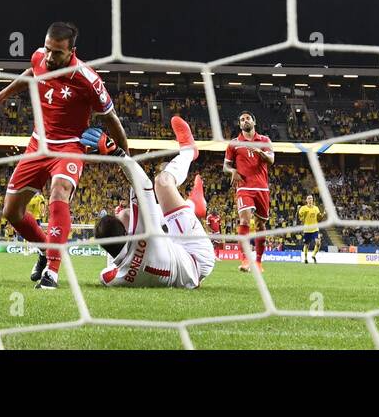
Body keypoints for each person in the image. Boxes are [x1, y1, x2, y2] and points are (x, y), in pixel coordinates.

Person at [0, 21, 129, 289]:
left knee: (59, 191)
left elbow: (112, 119)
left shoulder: (88, 79)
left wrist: (126, 158)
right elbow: (31, 72)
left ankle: (52, 270)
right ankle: (42, 249)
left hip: (70, 146)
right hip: (38, 144)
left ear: (72, 51)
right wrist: (2, 95)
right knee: (11, 212)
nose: (50, 57)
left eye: (57, 53)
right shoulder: (40, 57)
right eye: (48, 49)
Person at [90, 116, 214, 289]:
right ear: (127, 233)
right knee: (162, 183)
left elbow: (109, 267)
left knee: (125, 214)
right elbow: (144, 185)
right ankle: (189, 153)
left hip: (177, 265)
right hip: (197, 256)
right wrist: (118, 154)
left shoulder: (112, 278)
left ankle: (193, 206)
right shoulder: (145, 235)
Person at [222, 112, 273, 272]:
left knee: (261, 224)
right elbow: (226, 166)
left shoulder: (265, 140)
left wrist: (261, 153)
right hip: (244, 187)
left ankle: (258, 262)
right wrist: (232, 172)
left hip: (262, 187)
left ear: (254, 121)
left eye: (247, 118)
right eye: (242, 119)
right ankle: (244, 260)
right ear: (240, 124)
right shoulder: (234, 143)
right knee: (244, 221)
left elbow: (271, 160)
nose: (245, 121)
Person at [297, 193, 321, 264]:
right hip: (307, 230)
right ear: (306, 200)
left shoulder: (316, 208)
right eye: (309, 198)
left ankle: (313, 255)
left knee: (318, 243)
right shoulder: (303, 208)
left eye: (311, 198)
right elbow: (300, 218)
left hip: (315, 229)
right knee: (306, 245)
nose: (311, 200)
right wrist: (298, 211)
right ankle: (305, 258)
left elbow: (318, 218)